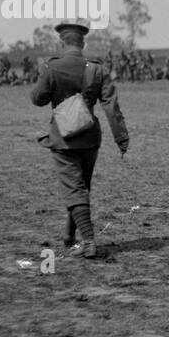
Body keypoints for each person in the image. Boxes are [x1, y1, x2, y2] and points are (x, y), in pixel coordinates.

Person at [30, 21, 130, 259]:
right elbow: (110, 105)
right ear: (82, 43)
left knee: (74, 189)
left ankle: (89, 241)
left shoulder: (51, 67)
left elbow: (38, 99)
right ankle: (69, 234)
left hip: (64, 138)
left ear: (61, 43)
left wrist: (45, 79)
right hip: (89, 138)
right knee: (80, 187)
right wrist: (121, 137)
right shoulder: (97, 69)